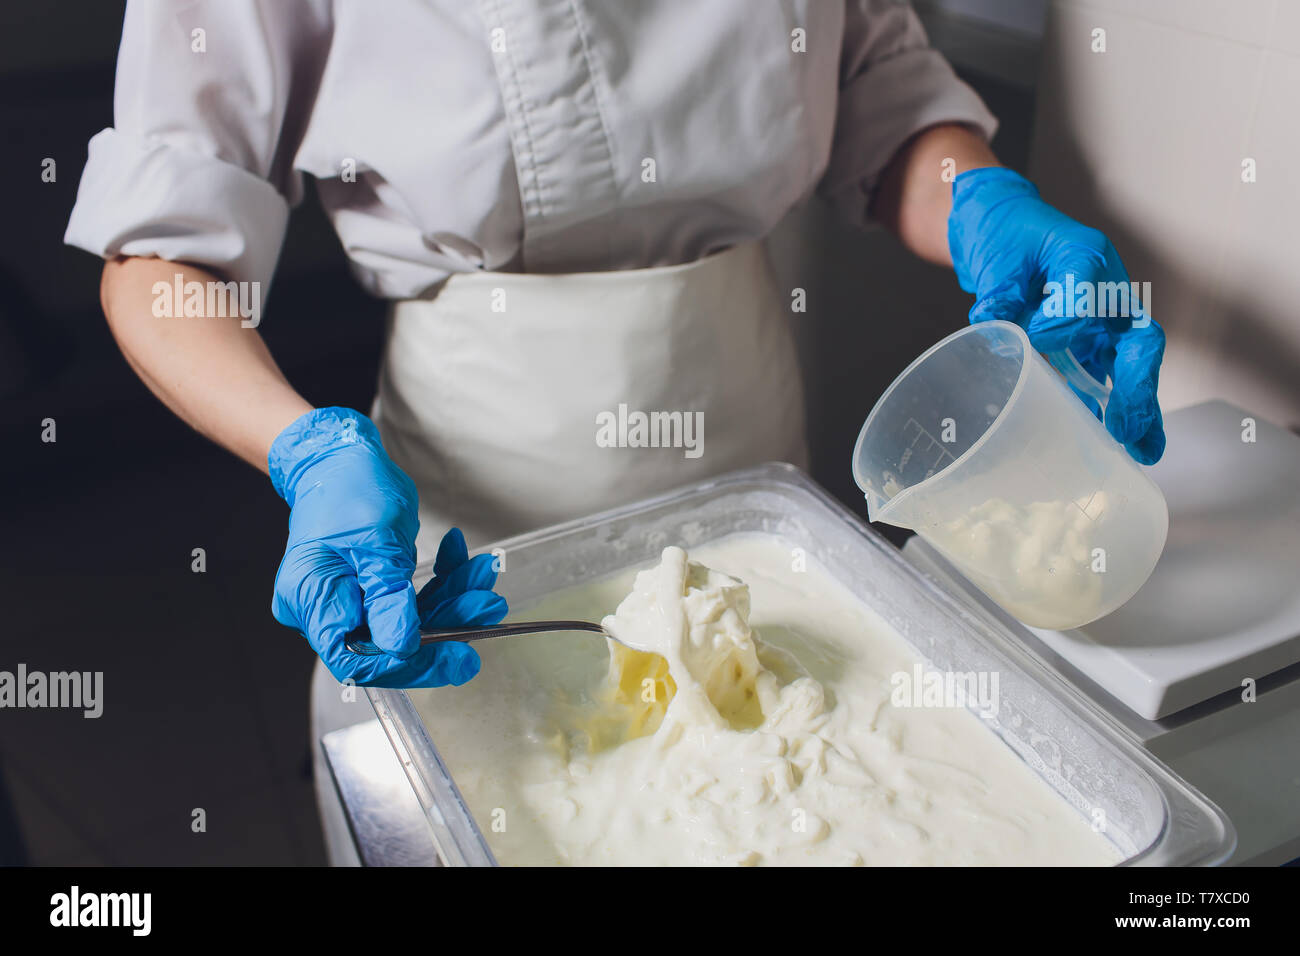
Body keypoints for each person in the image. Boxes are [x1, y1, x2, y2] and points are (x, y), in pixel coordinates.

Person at [66, 0, 1164, 862]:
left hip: (762, 490)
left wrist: (977, 195)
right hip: (456, 545)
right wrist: (301, 446)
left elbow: (871, 85)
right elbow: (165, 256)